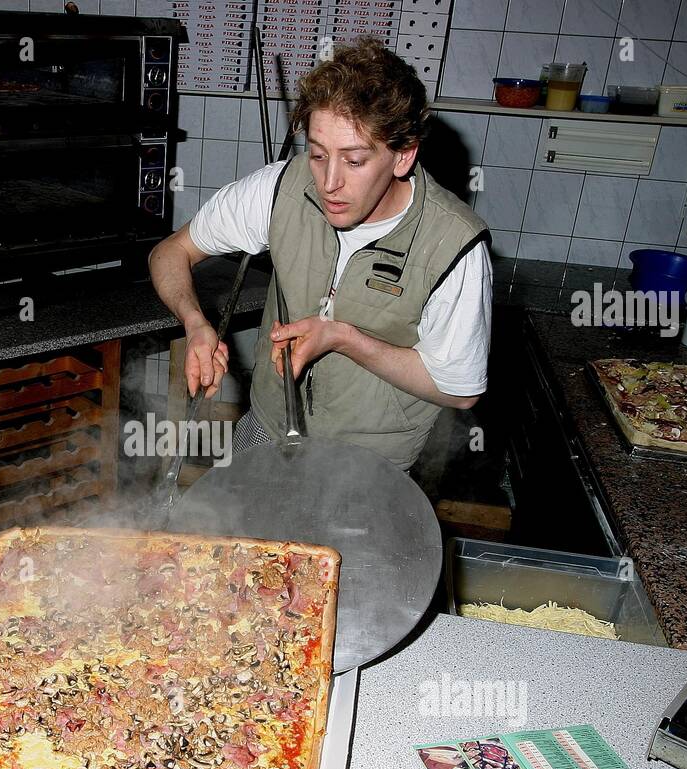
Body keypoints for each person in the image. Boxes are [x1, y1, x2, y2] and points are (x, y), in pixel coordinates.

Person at [148, 36, 492, 470]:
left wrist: (344, 338)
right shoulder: (280, 189)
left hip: (367, 463)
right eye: (317, 154)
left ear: (403, 156)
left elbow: (460, 390)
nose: (329, 183)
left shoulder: (454, 244)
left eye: (354, 161)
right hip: (266, 425)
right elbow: (170, 252)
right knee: (222, 514)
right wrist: (195, 323)